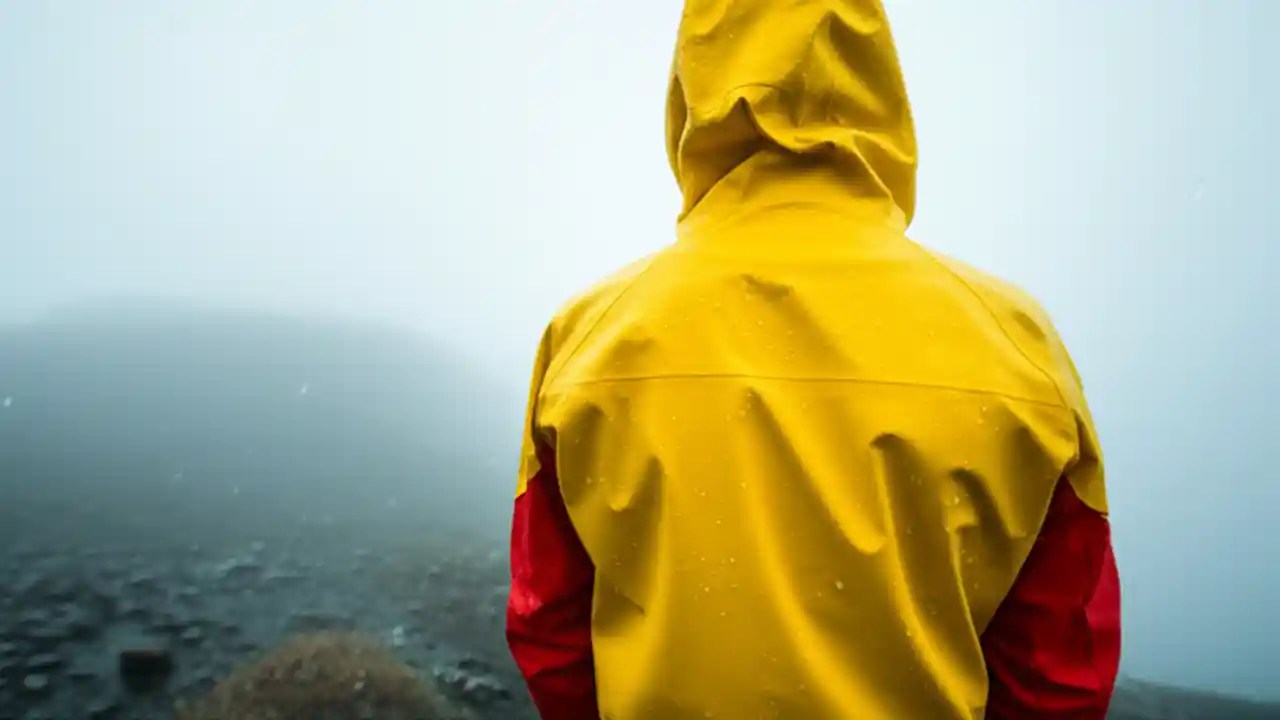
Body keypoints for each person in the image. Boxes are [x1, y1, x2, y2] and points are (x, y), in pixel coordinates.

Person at [506, 1, 1121, 718]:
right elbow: (1058, 667)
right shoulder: (1015, 342)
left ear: (690, 92)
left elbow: (549, 627)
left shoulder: (589, 336)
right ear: (880, 89)